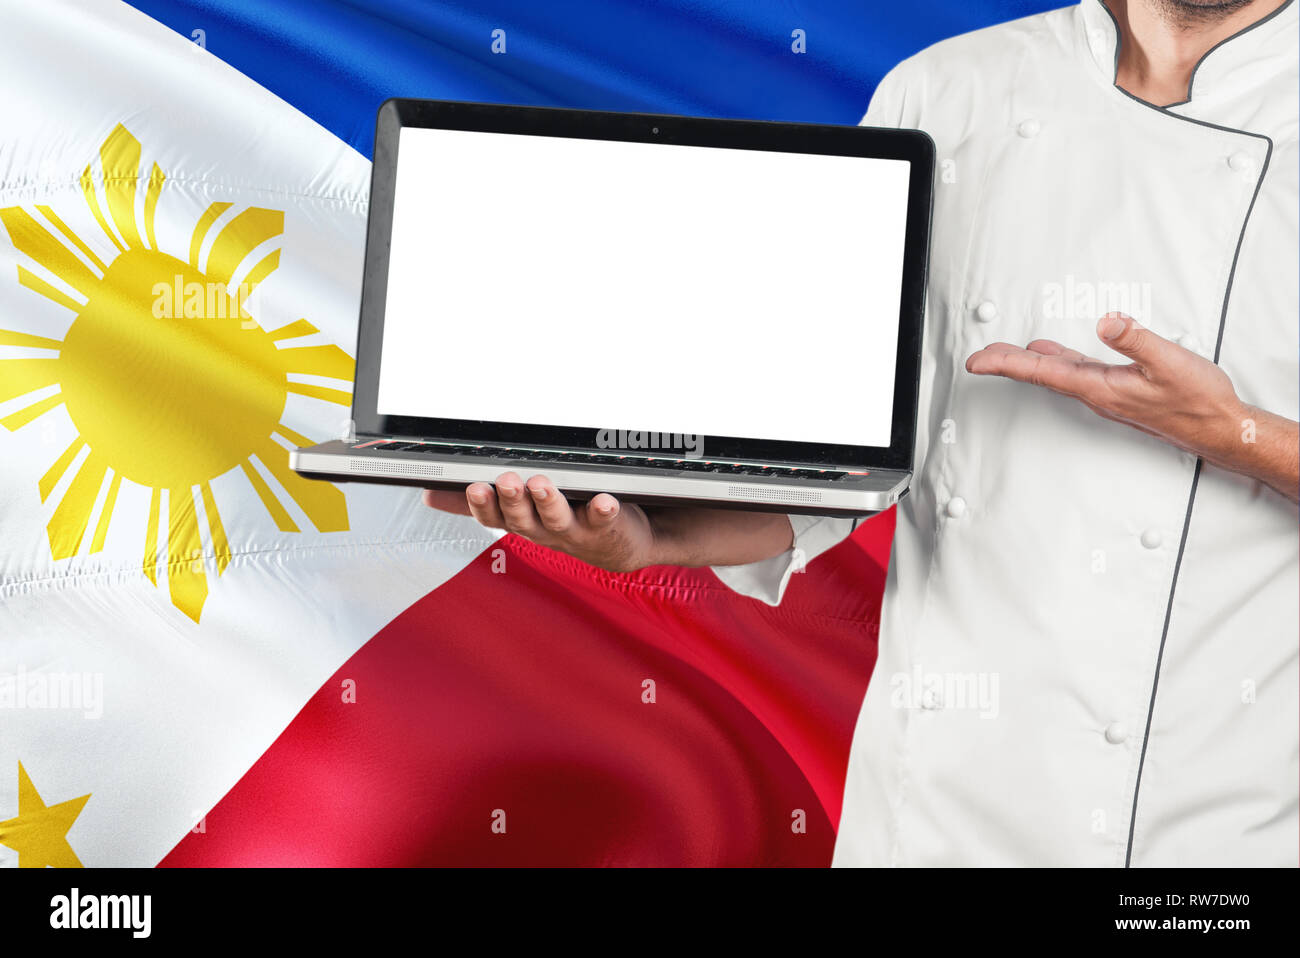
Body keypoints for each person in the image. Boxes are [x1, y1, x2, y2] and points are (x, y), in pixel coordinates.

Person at [425, 0, 1299, 866]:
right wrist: (654, 536)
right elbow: (850, 462)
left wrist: (1237, 435)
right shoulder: (947, 91)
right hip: (936, 818)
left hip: (1219, 830)